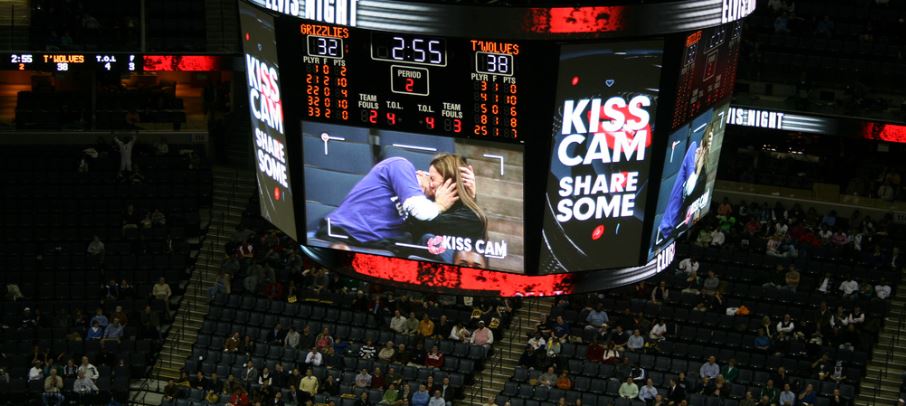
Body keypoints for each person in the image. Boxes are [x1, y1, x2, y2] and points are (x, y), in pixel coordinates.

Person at [316, 155, 470, 252]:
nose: (430, 186)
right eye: (430, 178)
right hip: (341, 234)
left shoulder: (431, 208)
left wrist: (470, 196)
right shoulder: (401, 165)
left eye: (437, 189)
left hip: (373, 246)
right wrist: (440, 206)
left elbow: (468, 235)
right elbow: (420, 210)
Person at [656, 123, 715, 242]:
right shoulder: (694, 149)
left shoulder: (705, 160)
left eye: (712, 138)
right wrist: (698, 169)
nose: (710, 140)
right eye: (709, 136)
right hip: (668, 226)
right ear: (704, 135)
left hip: (682, 224)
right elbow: (689, 189)